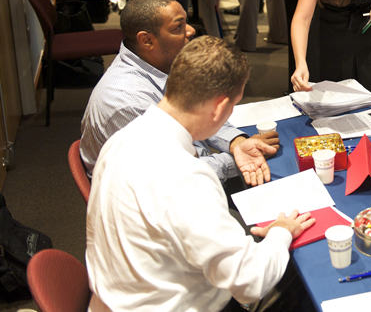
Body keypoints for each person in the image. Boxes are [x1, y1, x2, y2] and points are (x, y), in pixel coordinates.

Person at [86, 35, 315, 311]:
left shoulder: (119, 141)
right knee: (304, 278)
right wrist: (281, 232)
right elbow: (251, 283)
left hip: (121, 295)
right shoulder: (189, 178)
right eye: (232, 105)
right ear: (220, 108)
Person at [80, 0, 279, 184]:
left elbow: (199, 113)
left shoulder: (159, 64)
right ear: (147, 40)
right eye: (178, 27)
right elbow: (173, 173)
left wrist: (235, 142)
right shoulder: (127, 101)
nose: (191, 30)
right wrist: (238, 160)